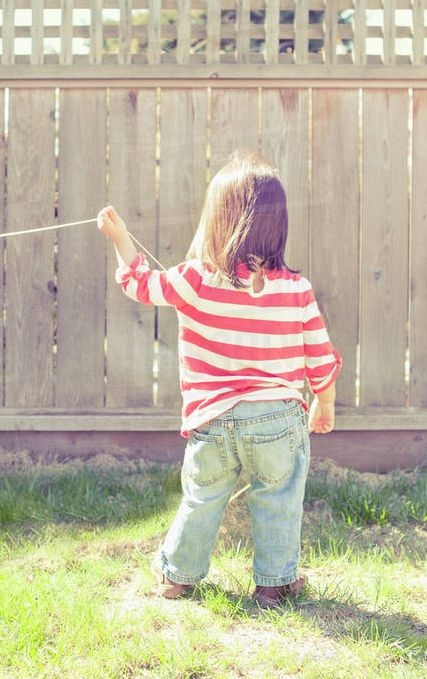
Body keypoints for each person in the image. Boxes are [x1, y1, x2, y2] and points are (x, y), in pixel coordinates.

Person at [96, 151, 340, 608]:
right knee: (279, 501)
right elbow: (320, 359)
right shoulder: (295, 289)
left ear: (217, 220)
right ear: (279, 224)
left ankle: (177, 579)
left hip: (213, 423)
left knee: (202, 500)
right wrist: (324, 403)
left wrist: (120, 237)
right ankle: (274, 585)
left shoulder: (195, 280)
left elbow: (139, 283)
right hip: (278, 421)